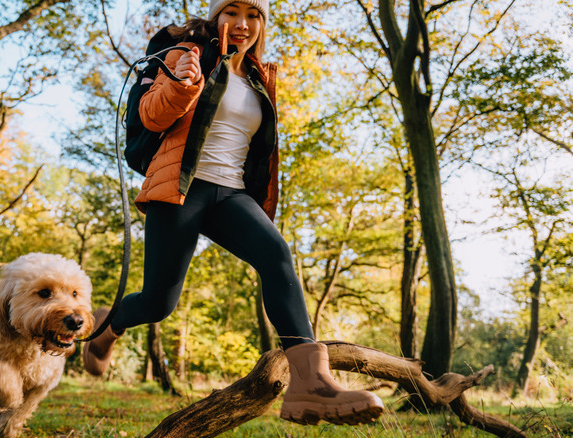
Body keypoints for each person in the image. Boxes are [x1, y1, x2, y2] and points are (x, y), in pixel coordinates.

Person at [83, 0, 384, 426]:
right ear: (215, 16)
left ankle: (310, 385)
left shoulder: (260, 78)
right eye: (232, 12)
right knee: (158, 302)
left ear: (262, 23)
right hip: (182, 187)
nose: (242, 24)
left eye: (253, 15)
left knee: (276, 255)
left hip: (232, 194)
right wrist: (183, 86)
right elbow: (150, 117)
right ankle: (109, 325)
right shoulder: (185, 54)